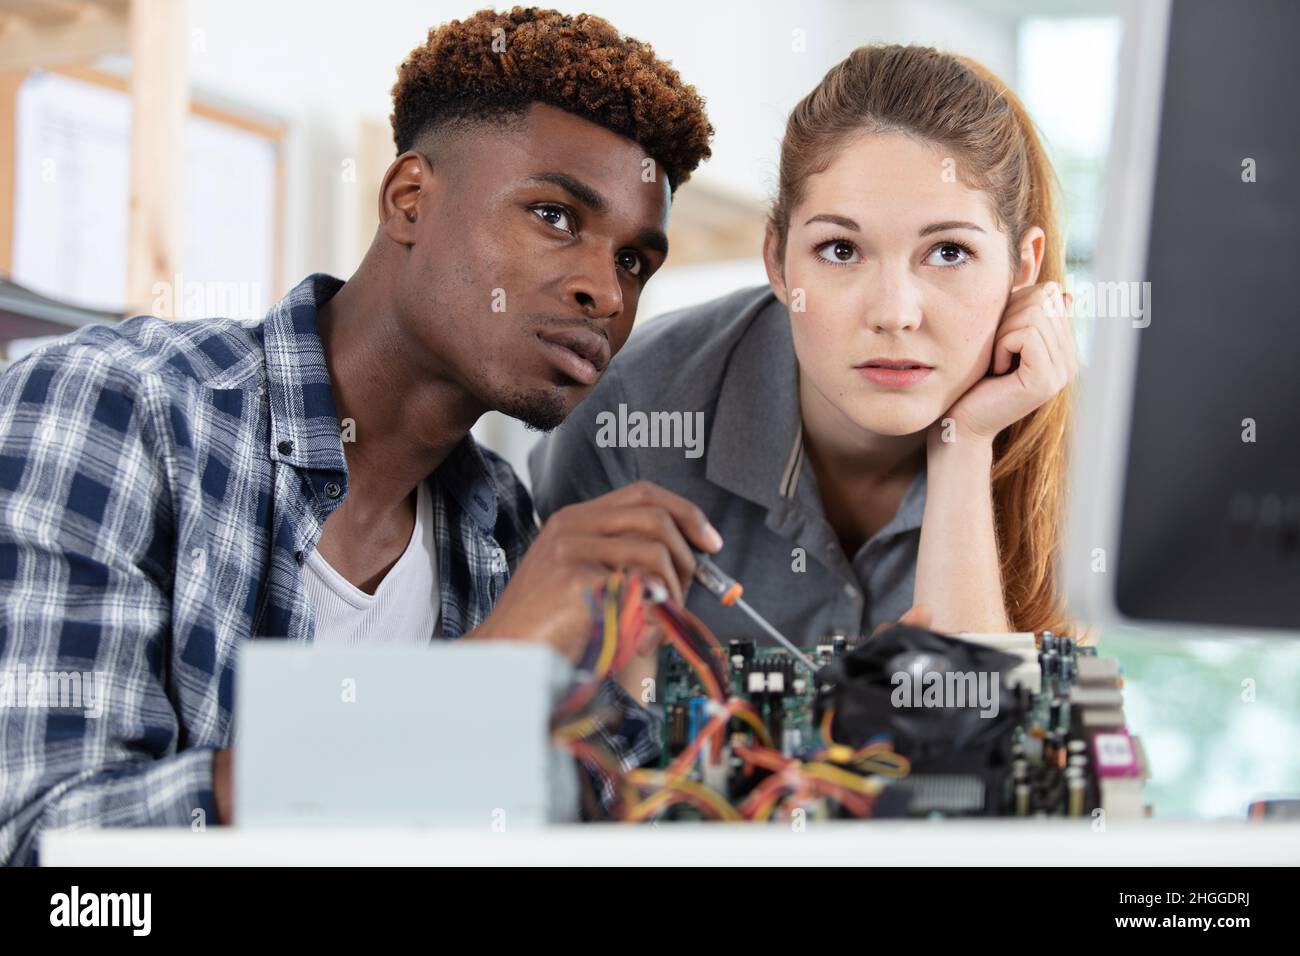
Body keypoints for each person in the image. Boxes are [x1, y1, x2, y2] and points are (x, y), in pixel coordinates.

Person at [0, 7, 716, 865]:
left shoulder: (505, 536)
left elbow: (650, 817)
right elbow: (47, 846)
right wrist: (472, 688)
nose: (604, 291)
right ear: (409, 198)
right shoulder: (115, 408)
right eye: (556, 216)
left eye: (635, 261)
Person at [530, 44, 1085, 699]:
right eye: (841, 250)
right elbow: (559, 739)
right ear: (778, 260)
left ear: (1024, 268)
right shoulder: (639, 406)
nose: (894, 314)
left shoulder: (1079, 452)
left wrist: (965, 448)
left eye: (949, 251)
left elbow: (988, 768)